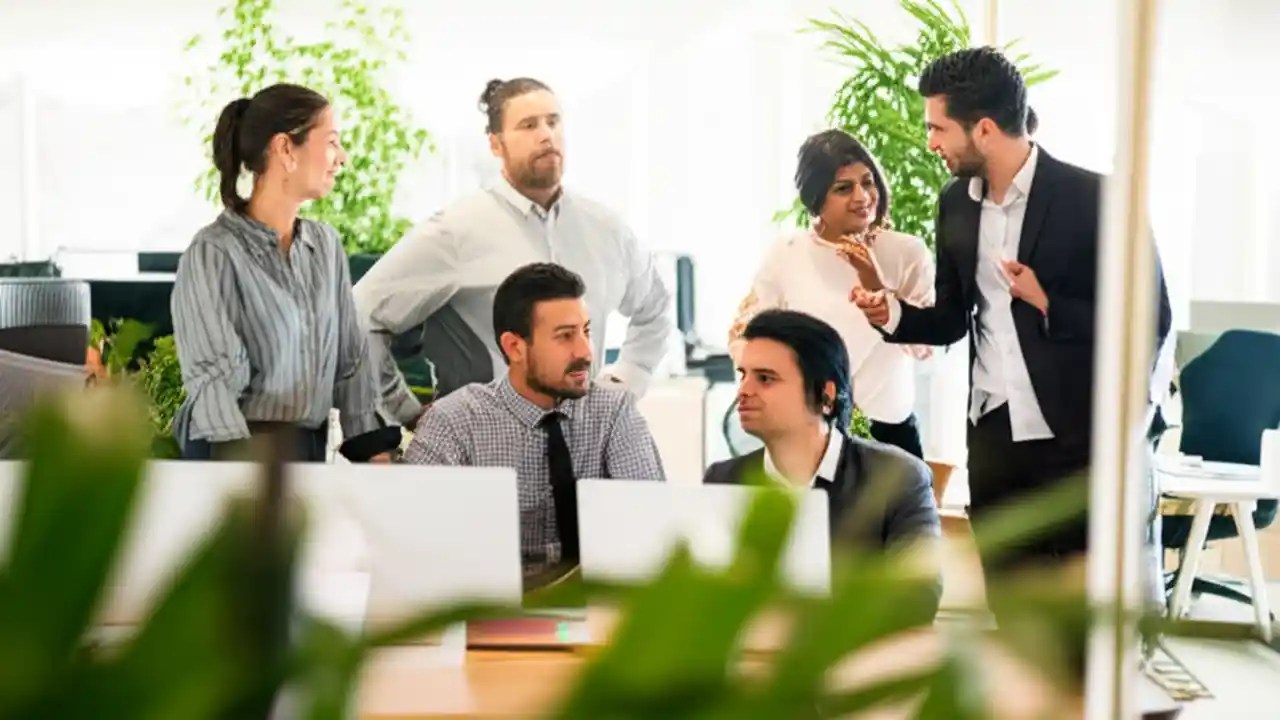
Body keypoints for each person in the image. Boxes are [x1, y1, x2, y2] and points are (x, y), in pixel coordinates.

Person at [851, 48, 1172, 581]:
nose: (931, 143)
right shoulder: (955, 202)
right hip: (994, 440)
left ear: (982, 129)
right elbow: (951, 318)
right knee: (1007, 601)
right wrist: (891, 312)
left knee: (1081, 613)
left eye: (937, 128)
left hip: (1077, 443)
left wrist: (1048, 303)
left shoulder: (1097, 199)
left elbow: (1150, 321)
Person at [353, 77, 672, 427]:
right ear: (496, 144)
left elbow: (654, 309)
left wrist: (625, 382)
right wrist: (405, 411)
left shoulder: (606, 229)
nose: (546, 135)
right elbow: (361, 313)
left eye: (553, 121)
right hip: (482, 443)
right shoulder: (456, 231)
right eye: (529, 125)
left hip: (584, 442)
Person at [171, 83, 401, 463]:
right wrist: (243, 479)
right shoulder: (213, 252)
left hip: (305, 453)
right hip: (230, 453)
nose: (341, 158)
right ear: (285, 149)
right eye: (331, 142)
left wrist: (375, 454)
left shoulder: (325, 246)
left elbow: (351, 362)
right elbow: (214, 382)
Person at [403, 263, 665, 585]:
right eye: (565, 336)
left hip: (597, 603)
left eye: (586, 331)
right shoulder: (454, 422)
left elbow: (650, 534)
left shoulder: (614, 413)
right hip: (488, 602)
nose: (585, 352)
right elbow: (412, 544)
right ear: (515, 347)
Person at [706, 309, 942, 620]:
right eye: (743, 375)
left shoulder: (896, 477)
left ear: (826, 394)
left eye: (765, 378)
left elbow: (918, 596)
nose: (744, 391)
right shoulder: (724, 479)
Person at [729, 129, 935, 459]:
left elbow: (925, 346)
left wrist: (878, 289)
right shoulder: (787, 252)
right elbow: (747, 338)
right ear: (815, 199)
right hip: (808, 433)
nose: (862, 197)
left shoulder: (906, 252)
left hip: (890, 435)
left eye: (867, 182)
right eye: (843, 188)